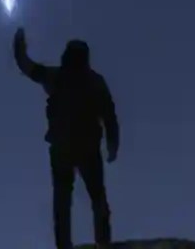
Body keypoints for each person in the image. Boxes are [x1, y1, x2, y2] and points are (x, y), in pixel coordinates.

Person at [13, 26, 120, 249]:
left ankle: (66, 245)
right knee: (96, 198)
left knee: (63, 201)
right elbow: (109, 115)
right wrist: (112, 144)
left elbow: (27, 66)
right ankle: (103, 242)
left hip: (64, 148)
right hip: (86, 147)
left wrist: (19, 46)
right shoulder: (93, 81)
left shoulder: (57, 76)